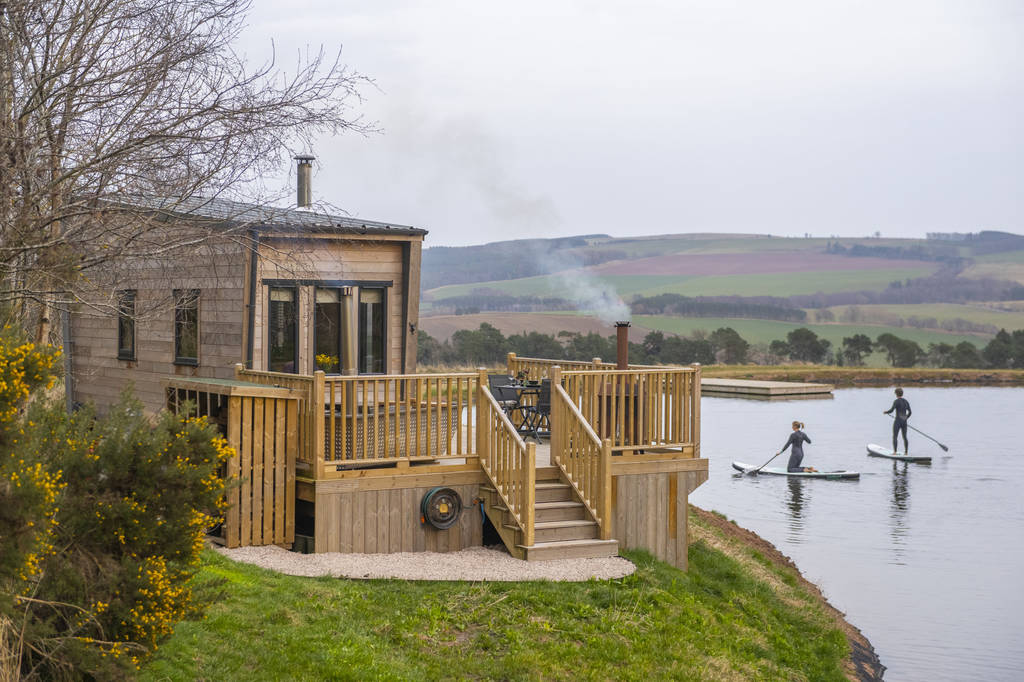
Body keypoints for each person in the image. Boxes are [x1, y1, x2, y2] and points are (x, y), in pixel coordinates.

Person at [883, 387, 912, 454]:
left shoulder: (896, 401)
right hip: (904, 422)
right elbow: (910, 412)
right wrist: (905, 418)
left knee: (895, 436)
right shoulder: (906, 401)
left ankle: (895, 452)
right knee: (905, 437)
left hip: (898, 421)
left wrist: (886, 412)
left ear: (896, 394)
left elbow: (891, 410)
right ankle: (906, 452)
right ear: (902, 394)